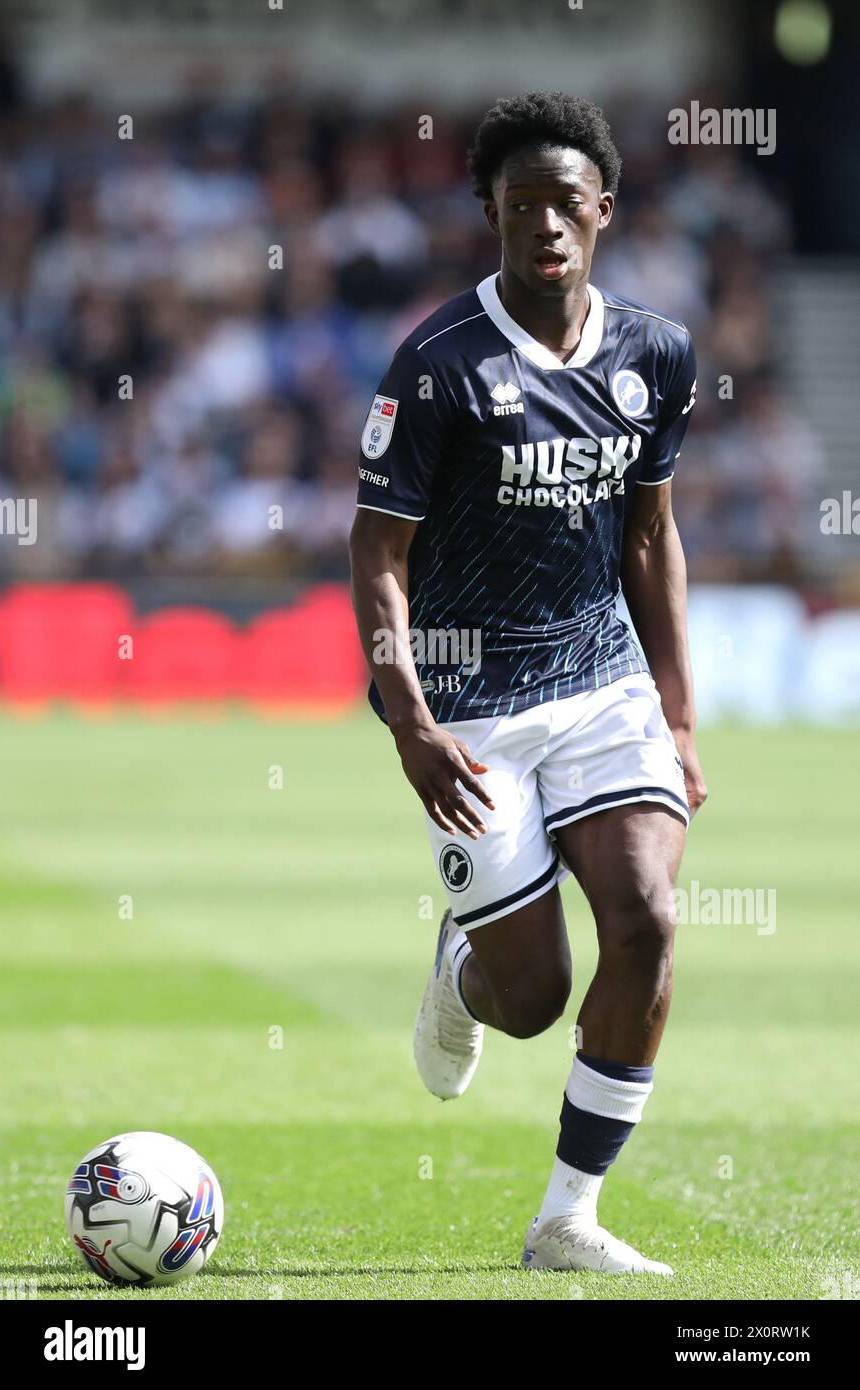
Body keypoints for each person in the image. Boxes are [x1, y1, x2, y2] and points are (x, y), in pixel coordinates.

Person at [349, 92, 706, 1275]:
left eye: (564, 202)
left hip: (601, 681)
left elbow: (649, 541)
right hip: (467, 707)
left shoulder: (654, 353)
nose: (544, 224)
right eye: (519, 206)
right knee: (533, 995)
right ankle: (462, 966)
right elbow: (375, 551)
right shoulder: (437, 363)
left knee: (648, 923)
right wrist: (408, 722)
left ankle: (567, 1217)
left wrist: (678, 715)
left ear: (601, 208)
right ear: (489, 216)